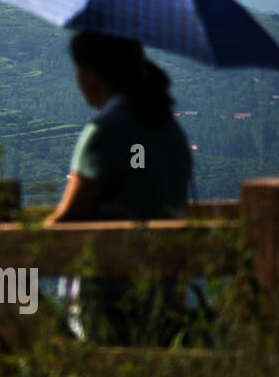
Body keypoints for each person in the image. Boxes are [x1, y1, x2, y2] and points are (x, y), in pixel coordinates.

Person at [44, 30, 194, 345]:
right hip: (164, 291)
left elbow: (67, 220)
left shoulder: (104, 131)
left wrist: (6, 250)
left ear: (92, 73)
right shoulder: (170, 130)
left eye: (78, 69)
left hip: (109, 294)